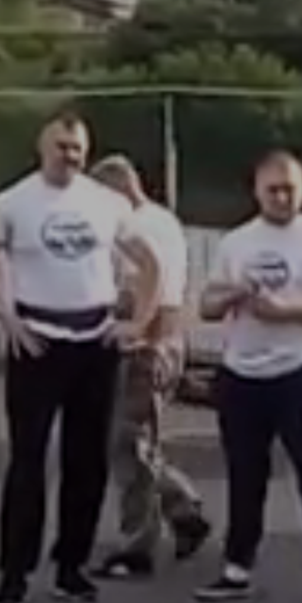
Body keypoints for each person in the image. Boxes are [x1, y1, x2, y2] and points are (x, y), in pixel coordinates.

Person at [0, 112, 160, 603]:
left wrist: (137, 323)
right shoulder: (14, 203)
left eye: (78, 148)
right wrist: (7, 318)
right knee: (28, 461)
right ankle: (14, 574)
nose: (70, 156)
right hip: (38, 345)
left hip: (95, 344)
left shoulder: (105, 202)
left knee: (87, 462)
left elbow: (150, 262)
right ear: (42, 148)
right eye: (62, 146)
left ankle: (71, 567)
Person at [194, 150, 302, 603]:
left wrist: (288, 310)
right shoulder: (237, 243)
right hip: (243, 374)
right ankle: (236, 567)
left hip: (299, 372)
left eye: (290, 190)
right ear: (257, 191)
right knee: (245, 475)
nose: (282, 198)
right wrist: (234, 293)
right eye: (273, 190)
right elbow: (206, 305)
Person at [85, 154, 212, 578]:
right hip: (166, 341)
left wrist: (131, 325)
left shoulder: (133, 226)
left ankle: (140, 541)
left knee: (129, 446)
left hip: (146, 345)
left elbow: (145, 284)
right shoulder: (163, 220)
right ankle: (181, 512)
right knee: (139, 443)